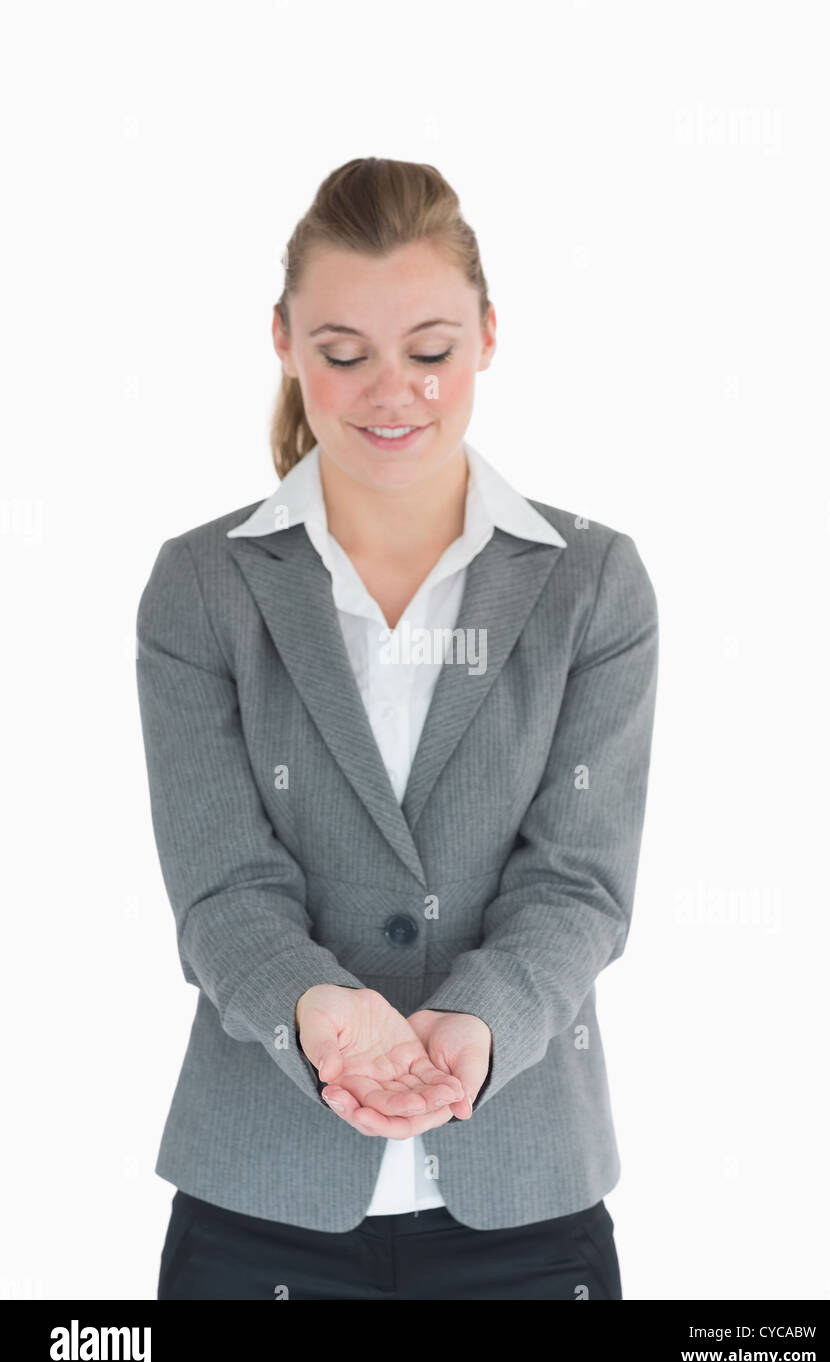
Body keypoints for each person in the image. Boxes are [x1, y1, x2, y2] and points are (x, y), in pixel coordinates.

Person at [135, 156, 659, 1300]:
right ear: (281, 339)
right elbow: (219, 883)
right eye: (343, 352)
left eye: (428, 350)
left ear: (484, 336)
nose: (391, 390)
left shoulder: (592, 584)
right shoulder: (199, 586)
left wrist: (477, 1020)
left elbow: (578, 885)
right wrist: (318, 1011)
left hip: (525, 1208)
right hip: (256, 1208)